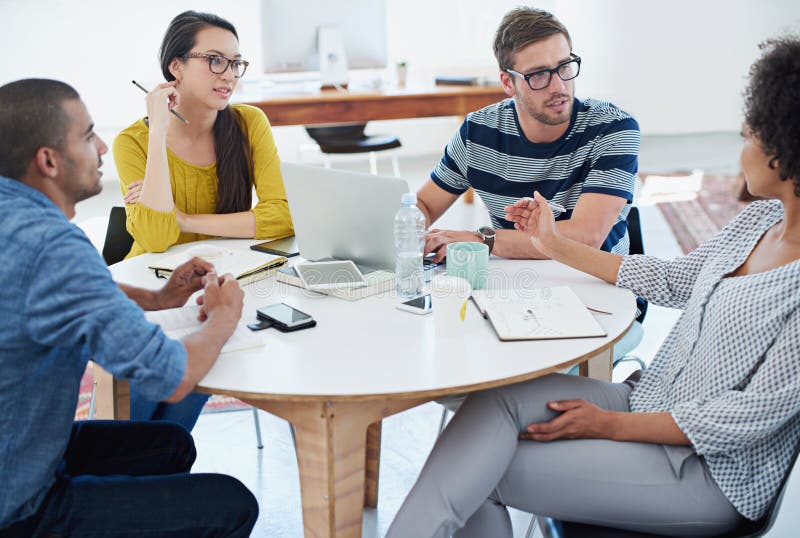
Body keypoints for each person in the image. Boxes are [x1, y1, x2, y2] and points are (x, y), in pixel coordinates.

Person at [387, 36, 800, 538]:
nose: (741, 146)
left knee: (480, 474)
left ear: (785, 148)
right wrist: (553, 243)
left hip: (708, 473)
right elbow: (673, 279)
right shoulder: (757, 221)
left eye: (749, 134)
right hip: (651, 400)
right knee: (495, 402)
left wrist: (608, 426)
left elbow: (744, 419)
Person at [0, 79, 257, 537]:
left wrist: (157, 300)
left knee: (169, 446)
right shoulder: (54, 245)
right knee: (232, 502)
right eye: (87, 135)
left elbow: (67, 287)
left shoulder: (15, 218)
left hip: (22, 448)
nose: (101, 147)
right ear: (48, 161)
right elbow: (173, 377)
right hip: (19, 505)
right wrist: (224, 316)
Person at [114, 10, 293, 429]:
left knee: (182, 400)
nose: (228, 74)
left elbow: (281, 217)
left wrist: (186, 216)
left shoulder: (250, 123)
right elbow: (157, 237)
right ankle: (133, 470)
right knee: (144, 400)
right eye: (214, 60)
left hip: (218, 280)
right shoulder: (133, 141)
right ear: (174, 66)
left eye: (235, 63)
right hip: (153, 284)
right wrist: (158, 131)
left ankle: (161, 471)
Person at [420, 7, 639, 263]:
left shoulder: (612, 128)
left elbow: (586, 237)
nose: (559, 87)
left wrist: (482, 240)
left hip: (596, 287)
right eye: (538, 75)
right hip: (516, 285)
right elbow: (422, 205)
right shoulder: (477, 133)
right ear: (507, 83)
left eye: (564, 66)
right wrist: (409, 236)